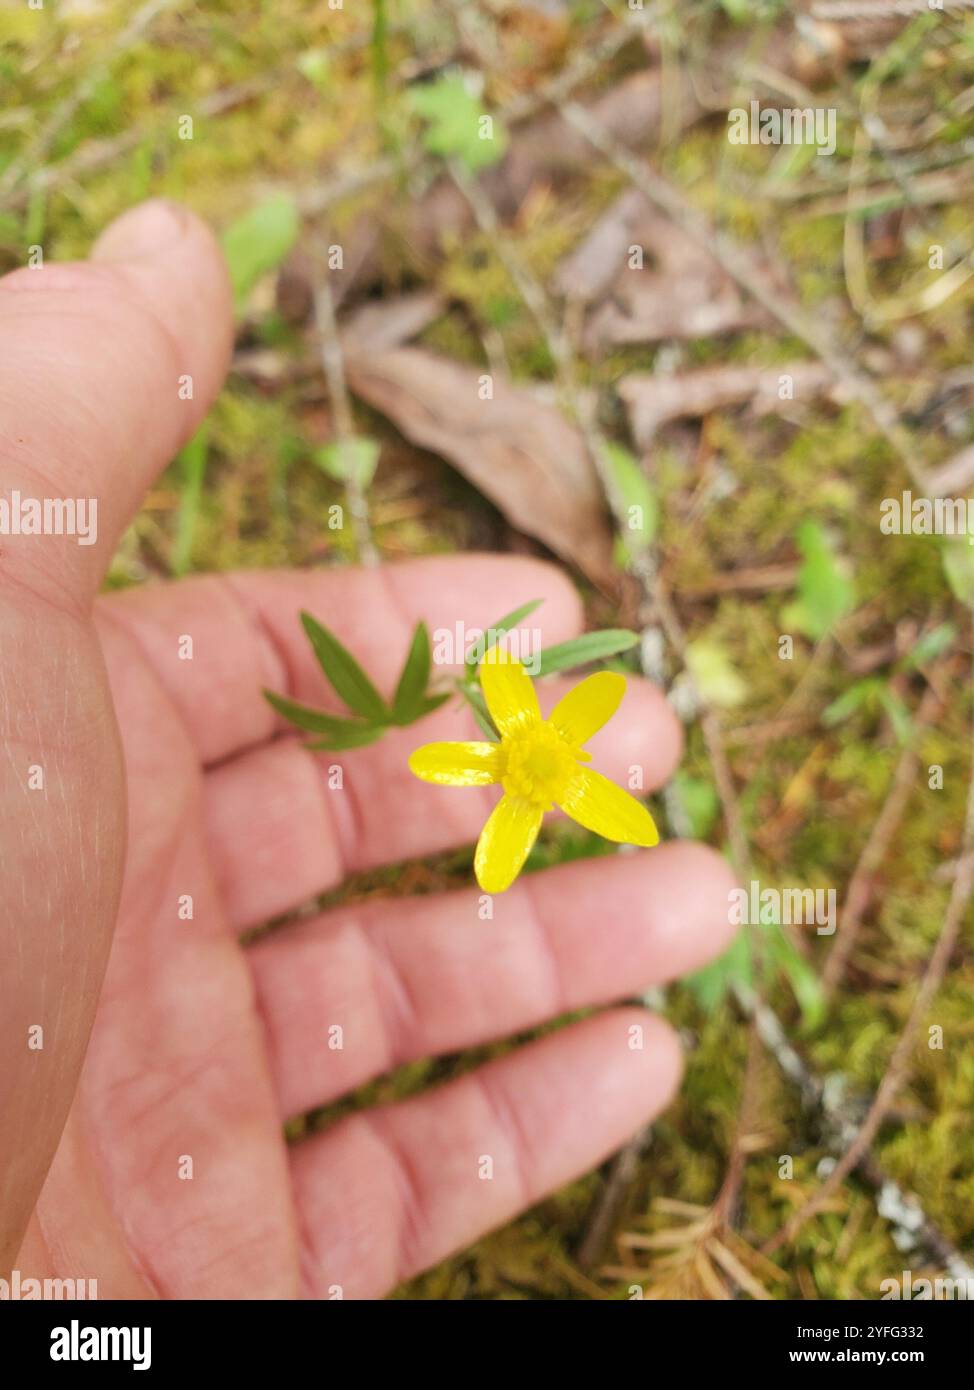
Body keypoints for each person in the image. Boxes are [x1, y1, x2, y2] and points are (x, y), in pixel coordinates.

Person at [1, 199, 736, 1299]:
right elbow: (478, 714)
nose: (541, 784)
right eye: (533, 773)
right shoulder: (490, 734)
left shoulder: (529, 749)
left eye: (545, 783)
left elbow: (501, 768)